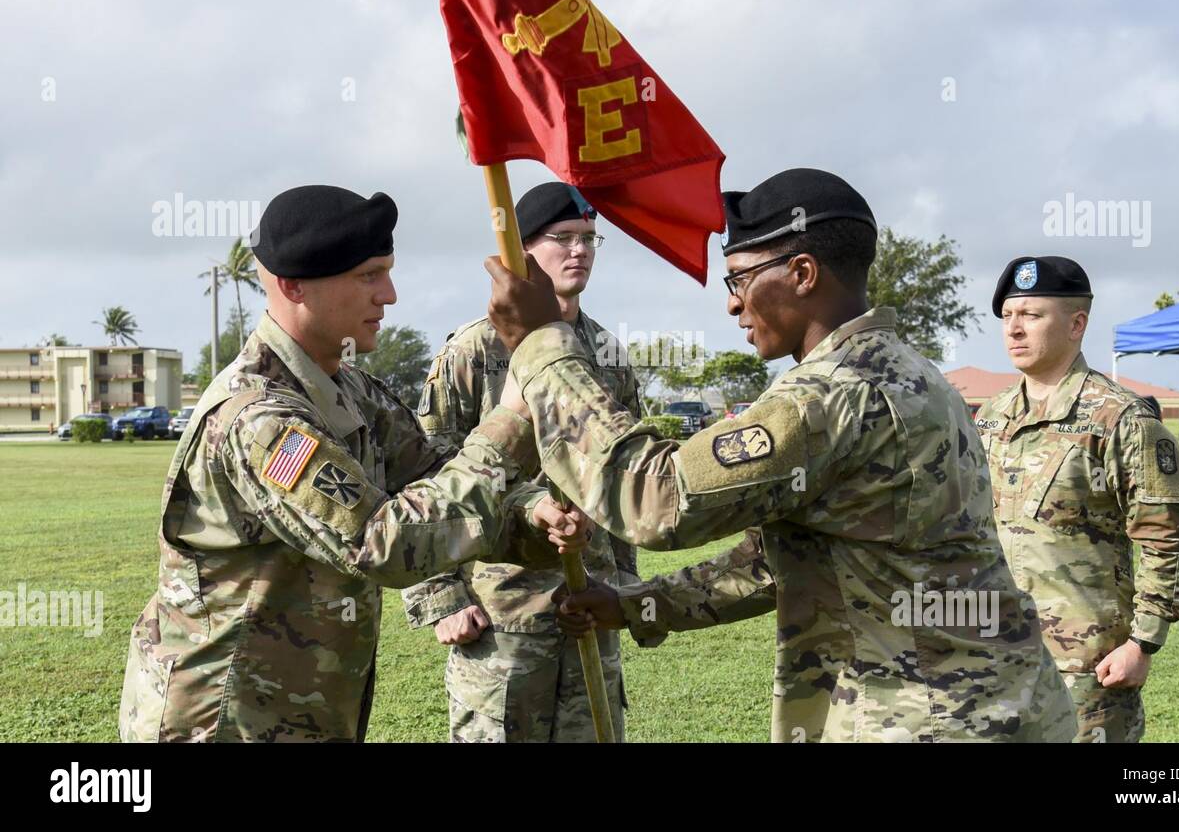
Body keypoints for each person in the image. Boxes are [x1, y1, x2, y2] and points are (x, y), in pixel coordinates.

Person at [484, 168, 1075, 743]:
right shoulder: (902, 368)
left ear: (801, 273)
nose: (733, 305)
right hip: (986, 704)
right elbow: (772, 562)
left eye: (738, 279)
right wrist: (640, 605)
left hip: (925, 716)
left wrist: (543, 349)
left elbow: (655, 500)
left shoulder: (828, 396)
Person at [118, 185, 585, 743]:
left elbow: (436, 474)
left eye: (387, 272)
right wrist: (510, 414)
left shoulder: (349, 387)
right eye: (368, 276)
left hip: (301, 709)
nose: (389, 295)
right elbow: (379, 543)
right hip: (227, 718)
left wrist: (530, 514)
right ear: (293, 285)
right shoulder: (259, 419)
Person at [402, 183, 641, 742]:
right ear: (522, 253)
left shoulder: (607, 355)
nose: (579, 251)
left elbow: (626, 476)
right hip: (499, 611)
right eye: (563, 238)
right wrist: (442, 599)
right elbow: (424, 473)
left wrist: (626, 588)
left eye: (589, 239)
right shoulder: (471, 352)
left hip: (586, 607)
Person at [974, 256, 1179, 743]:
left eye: (1031, 315)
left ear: (1077, 323)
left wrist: (1144, 642)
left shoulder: (1121, 420)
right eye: (1007, 316)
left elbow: (1170, 538)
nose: (1013, 329)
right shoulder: (990, 417)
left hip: (1085, 670)